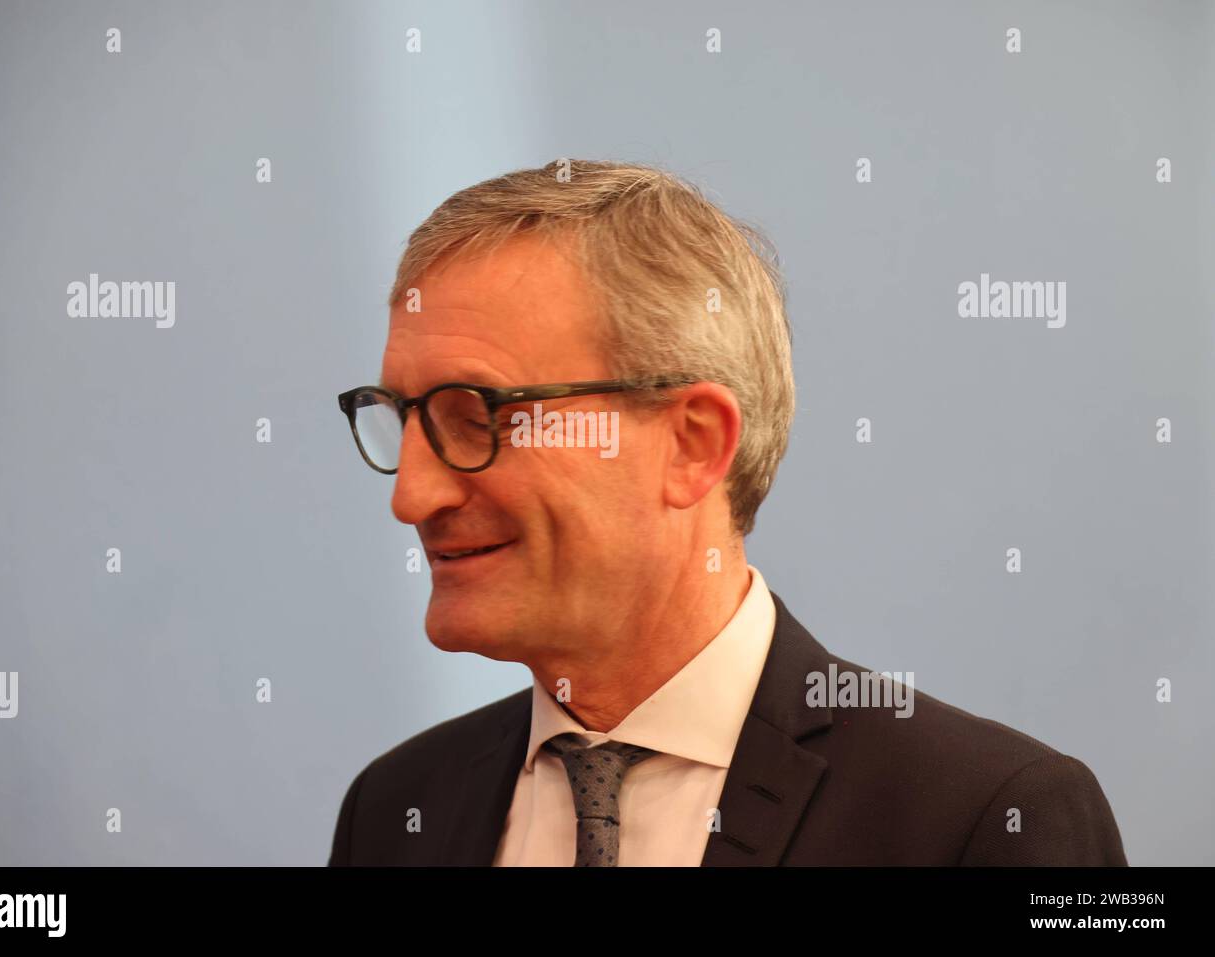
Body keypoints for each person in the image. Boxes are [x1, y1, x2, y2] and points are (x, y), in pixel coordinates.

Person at [328, 160, 1126, 866]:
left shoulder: (988, 818)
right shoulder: (396, 810)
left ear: (691, 443)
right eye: (403, 417)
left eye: (476, 414)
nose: (412, 495)